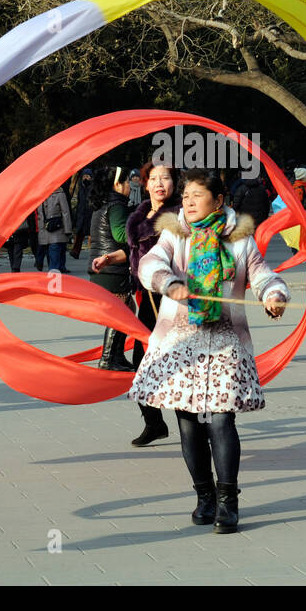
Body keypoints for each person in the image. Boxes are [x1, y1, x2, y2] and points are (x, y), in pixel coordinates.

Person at [130, 170, 289, 533]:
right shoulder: (173, 233)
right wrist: (169, 283)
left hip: (224, 342)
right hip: (181, 341)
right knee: (188, 425)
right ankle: (203, 496)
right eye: (185, 194)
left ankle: (227, 501)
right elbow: (149, 264)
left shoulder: (240, 240)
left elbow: (263, 275)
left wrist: (274, 296)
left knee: (220, 420)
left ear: (219, 201)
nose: (188, 201)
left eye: (197, 195)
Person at [120, 162, 180, 447]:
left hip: (174, 295)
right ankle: (154, 422)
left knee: (178, 359)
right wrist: (112, 258)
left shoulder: (181, 215)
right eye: (153, 179)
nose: (159, 183)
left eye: (165, 178)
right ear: (145, 184)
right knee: (141, 362)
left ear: (174, 183)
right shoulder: (139, 216)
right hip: (146, 298)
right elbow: (133, 252)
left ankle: (193, 422)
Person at [87, 166, 136, 372]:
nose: (129, 186)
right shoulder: (116, 206)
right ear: (117, 184)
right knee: (122, 311)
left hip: (104, 269)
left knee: (127, 310)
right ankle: (108, 358)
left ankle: (116, 355)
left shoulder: (104, 205)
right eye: (126, 183)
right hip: (112, 270)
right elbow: (120, 235)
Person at [36, 184, 73, 273]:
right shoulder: (40, 195)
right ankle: (56, 268)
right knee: (53, 250)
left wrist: (68, 229)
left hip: (56, 228)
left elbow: (65, 212)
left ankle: (55, 269)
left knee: (55, 249)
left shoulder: (59, 193)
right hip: (47, 229)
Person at [70, 168, 94, 259]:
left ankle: (93, 253)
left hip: (90, 213)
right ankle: (76, 251)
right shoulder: (80, 187)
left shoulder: (92, 187)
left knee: (92, 235)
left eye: (87, 176)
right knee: (79, 233)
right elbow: (79, 200)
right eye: (84, 176)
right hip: (81, 213)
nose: (85, 178)